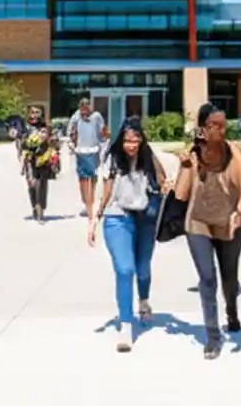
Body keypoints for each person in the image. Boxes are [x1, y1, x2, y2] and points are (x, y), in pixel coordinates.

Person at [173, 103, 241, 360]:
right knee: (207, 278)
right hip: (198, 222)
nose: (221, 129)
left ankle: (232, 312)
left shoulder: (234, 149)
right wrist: (186, 166)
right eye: (214, 125)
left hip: (228, 221)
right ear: (204, 128)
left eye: (223, 124)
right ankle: (212, 336)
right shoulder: (193, 148)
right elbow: (180, 193)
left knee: (229, 278)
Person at [88, 117, 169, 353]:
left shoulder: (149, 159)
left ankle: (143, 300)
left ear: (142, 140)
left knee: (142, 268)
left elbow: (163, 182)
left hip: (145, 217)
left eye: (135, 140)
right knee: (125, 269)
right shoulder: (112, 158)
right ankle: (126, 324)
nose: (131, 145)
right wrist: (94, 219)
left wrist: (166, 185)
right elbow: (105, 191)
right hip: (117, 216)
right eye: (127, 141)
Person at [67, 97, 107, 218]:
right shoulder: (76, 116)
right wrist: (70, 141)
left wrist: (104, 144)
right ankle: (86, 201)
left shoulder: (96, 116)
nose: (84, 110)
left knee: (92, 177)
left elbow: (102, 132)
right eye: (82, 107)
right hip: (80, 151)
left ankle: (90, 201)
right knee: (82, 178)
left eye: (87, 106)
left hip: (93, 150)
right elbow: (70, 129)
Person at [20, 105, 59, 223]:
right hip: (30, 160)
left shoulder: (46, 127)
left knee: (41, 185)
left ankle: (40, 211)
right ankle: (34, 206)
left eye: (37, 112)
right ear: (29, 114)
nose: (35, 115)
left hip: (43, 159)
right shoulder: (25, 128)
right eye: (32, 112)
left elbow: (54, 141)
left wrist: (53, 146)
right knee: (32, 185)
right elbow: (21, 144)